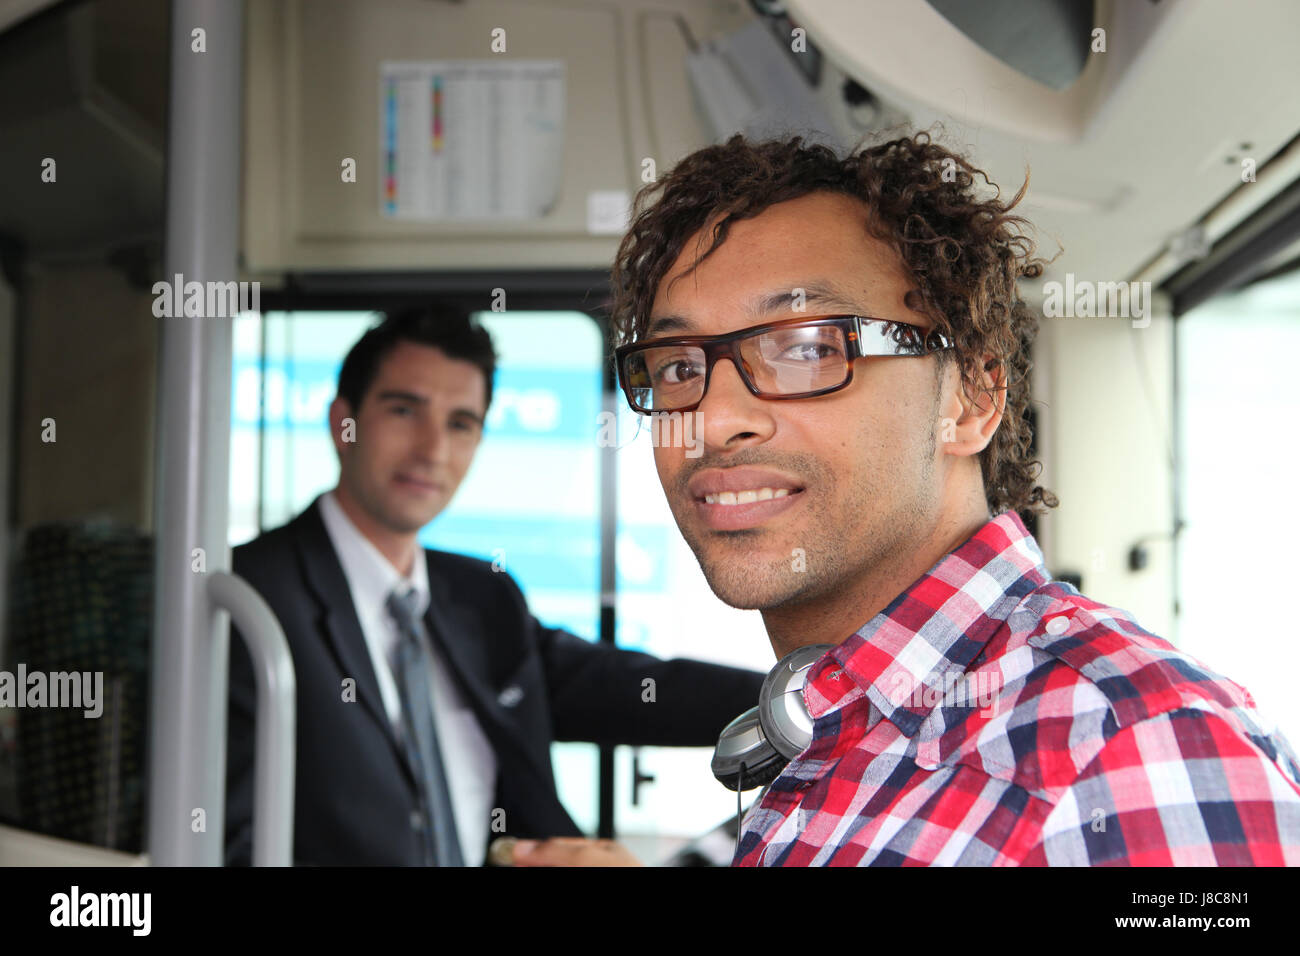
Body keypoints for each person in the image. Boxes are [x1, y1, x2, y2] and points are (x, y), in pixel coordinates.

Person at [591, 131, 1300, 866]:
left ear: (970, 399)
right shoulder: (835, 728)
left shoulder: (1134, 754)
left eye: (809, 347)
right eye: (677, 365)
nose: (713, 418)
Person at [223, 309, 765, 866]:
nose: (432, 449)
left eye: (460, 423)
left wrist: (794, 700)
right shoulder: (247, 597)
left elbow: (625, 687)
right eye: (404, 410)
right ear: (345, 422)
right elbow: (226, 842)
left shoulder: (481, 597)